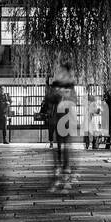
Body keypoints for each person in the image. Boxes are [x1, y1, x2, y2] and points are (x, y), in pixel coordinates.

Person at [49, 61, 77, 191]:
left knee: (66, 148)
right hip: (58, 119)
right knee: (59, 148)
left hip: (68, 120)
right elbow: (49, 98)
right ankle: (58, 173)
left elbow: (73, 101)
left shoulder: (70, 87)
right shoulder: (57, 85)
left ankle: (66, 173)